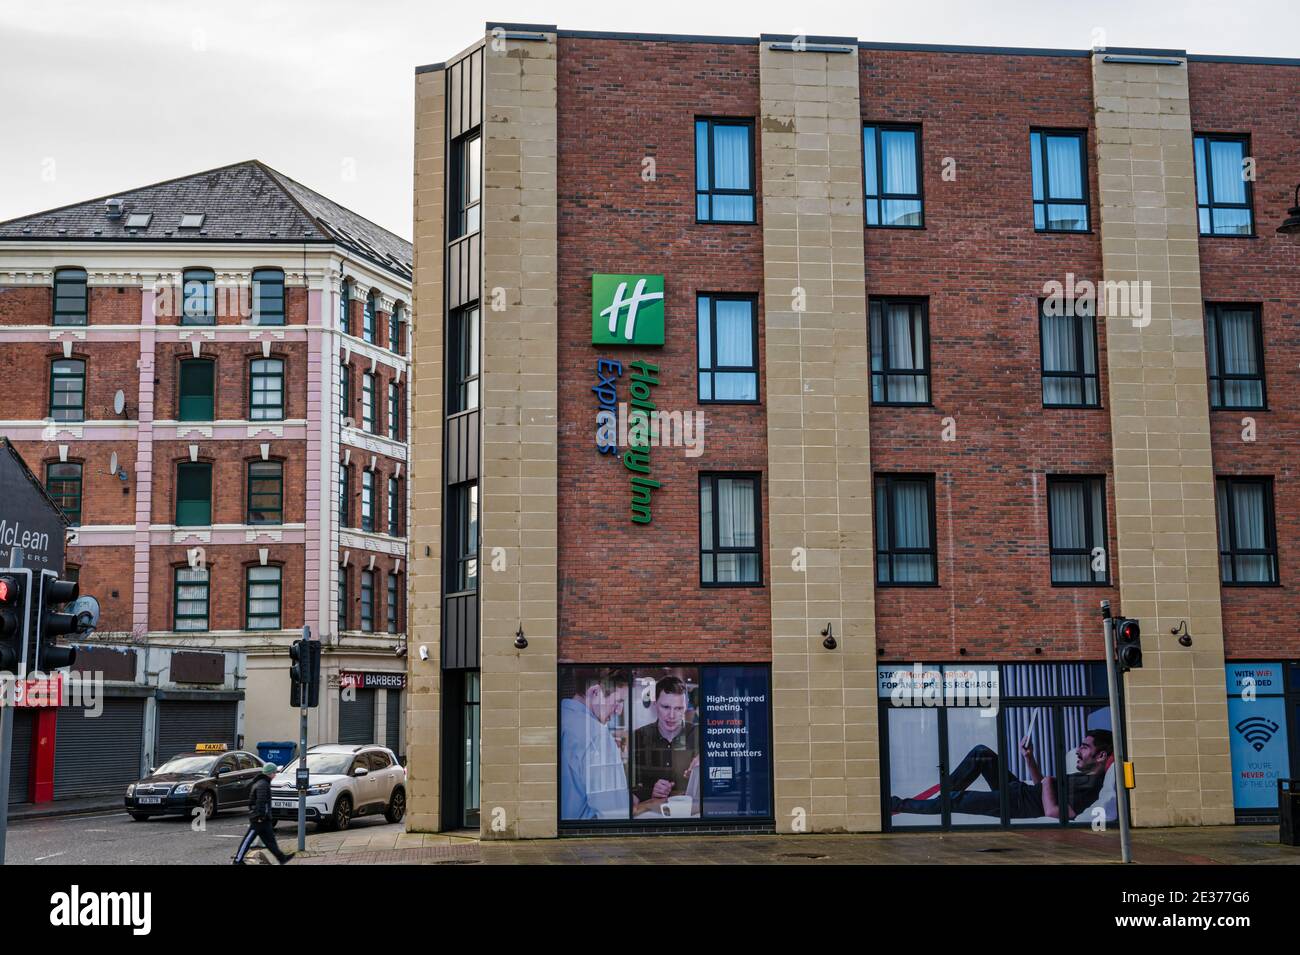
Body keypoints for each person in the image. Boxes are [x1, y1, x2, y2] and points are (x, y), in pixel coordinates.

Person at [891, 730, 1113, 820]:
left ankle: (897, 805)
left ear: (1101, 755)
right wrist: (1029, 758)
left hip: (1018, 803)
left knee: (955, 800)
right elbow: (1041, 786)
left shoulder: (1091, 786)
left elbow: (1054, 812)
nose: (1077, 751)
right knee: (982, 753)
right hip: (1021, 791)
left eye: (1084, 747)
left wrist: (1047, 782)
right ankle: (938, 801)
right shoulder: (1081, 776)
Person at [560, 670, 631, 820]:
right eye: (618, 701)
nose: (619, 711)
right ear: (595, 692)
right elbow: (615, 814)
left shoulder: (558, 718)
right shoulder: (597, 734)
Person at [631, 676, 699, 811]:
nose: (672, 715)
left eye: (679, 708)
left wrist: (707, 762)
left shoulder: (698, 734)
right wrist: (650, 791)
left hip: (690, 818)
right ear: (655, 704)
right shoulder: (639, 737)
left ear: (686, 707)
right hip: (650, 821)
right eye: (666, 707)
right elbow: (626, 788)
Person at [233, 763, 292, 864]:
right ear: (270, 773)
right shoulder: (263, 784)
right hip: (259, 818)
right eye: (275, 773)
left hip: (264, 819)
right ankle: (237, 860)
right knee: (248, 840)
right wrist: (261, 816)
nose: (275, 775)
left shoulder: (262, 782)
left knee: (270, 841)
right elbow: (261, 802)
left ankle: (282, 858)